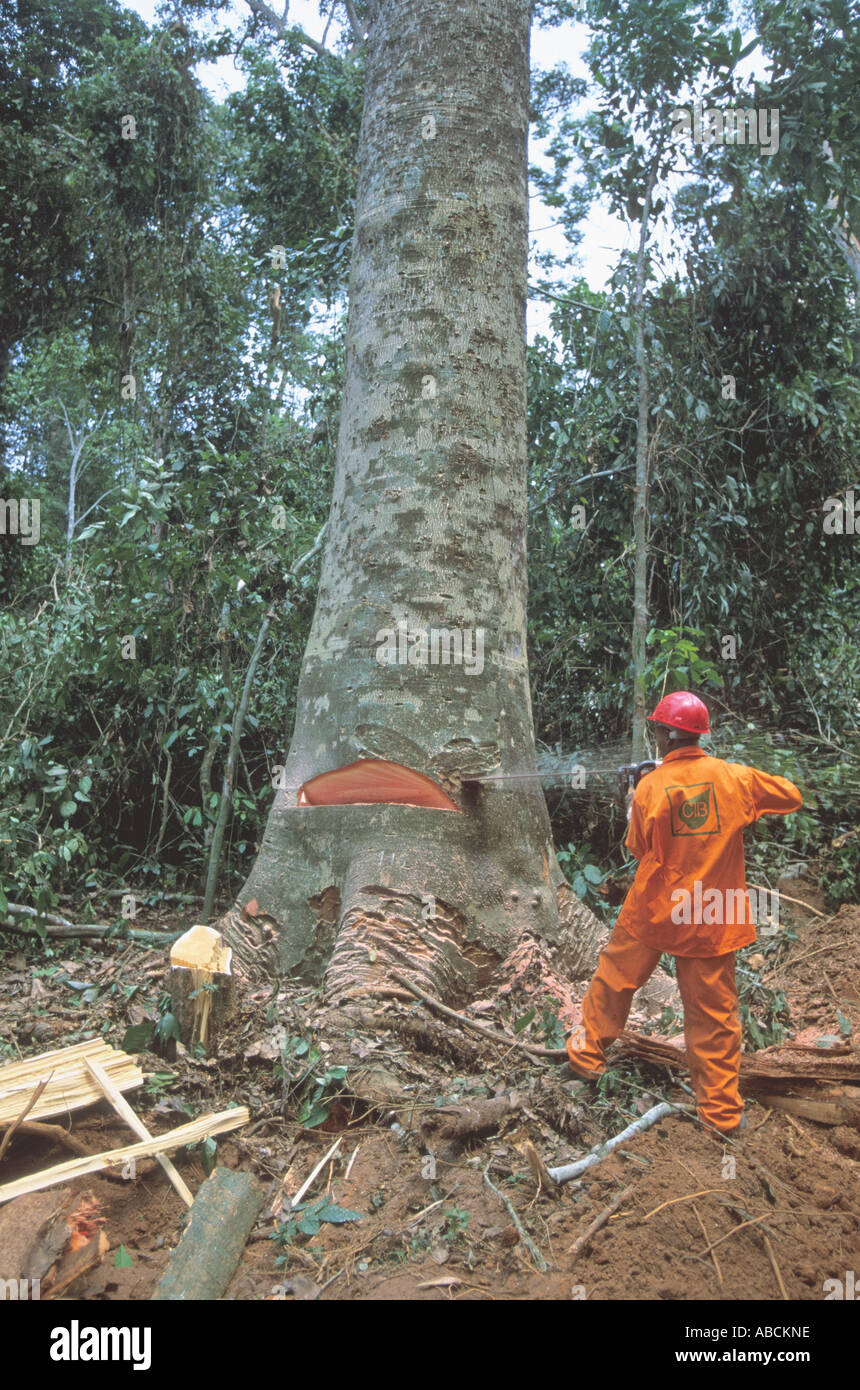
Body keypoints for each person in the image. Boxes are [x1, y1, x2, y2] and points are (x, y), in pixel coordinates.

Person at [564, 692, 802, 1135]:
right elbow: (790, 796)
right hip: (712, 915)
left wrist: (641, 793)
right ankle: (722, 1116)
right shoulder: (735, 777)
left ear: (663, 734)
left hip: (656, 909)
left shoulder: (652, 786)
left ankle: (586, 1062)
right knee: (713, 1014)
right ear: (698, 735)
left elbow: (637, 847)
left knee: (616, 979)